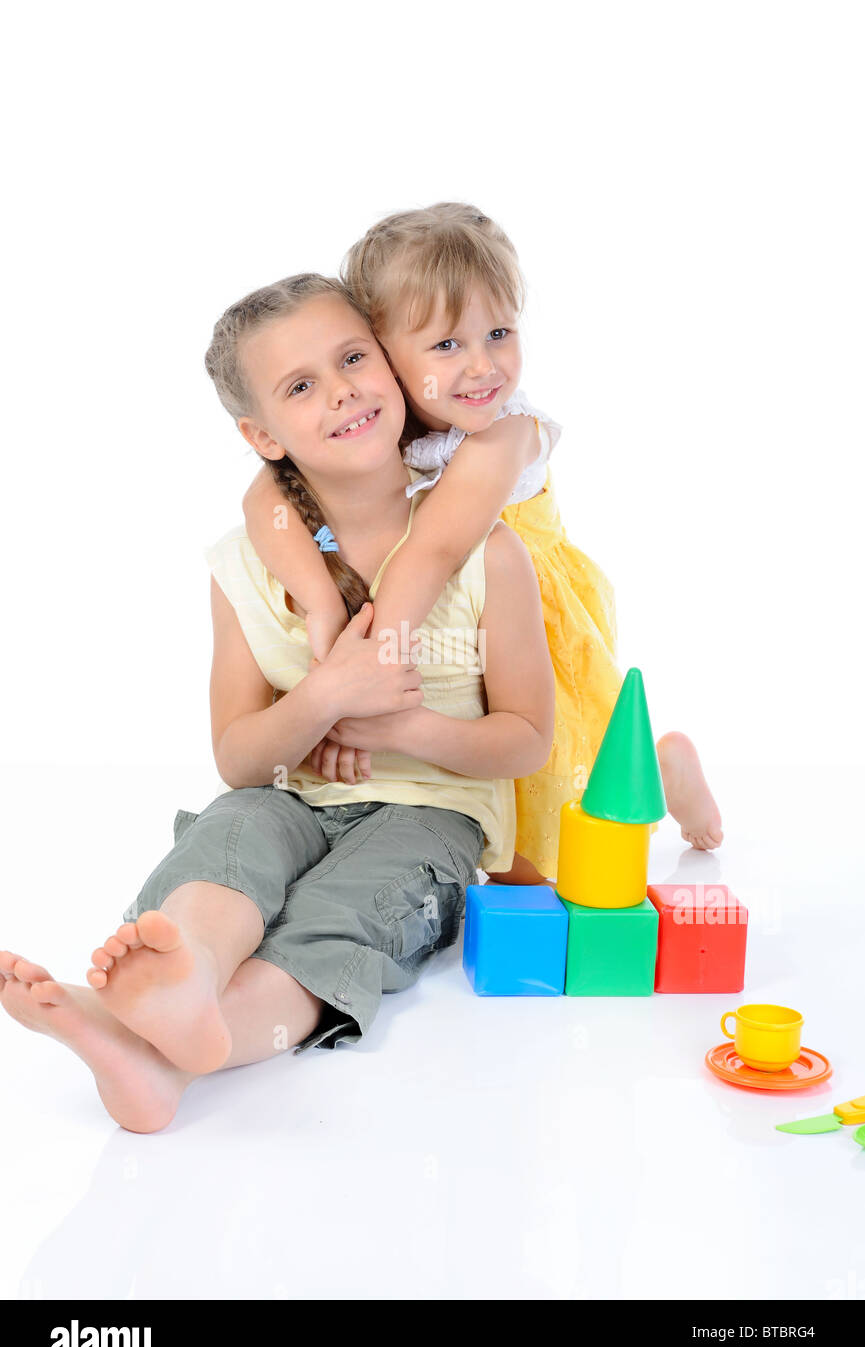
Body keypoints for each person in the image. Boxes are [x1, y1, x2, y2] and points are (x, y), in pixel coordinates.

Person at [0, 273, 554, 1134]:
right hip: (292, 795)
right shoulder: (242, 566)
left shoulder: (488, 552)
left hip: (433, 814)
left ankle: (163, 1046)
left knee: (342, 916)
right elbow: (240, 759)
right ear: (260, 434)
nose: (340, 391)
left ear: (394, 368)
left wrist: (403, 726)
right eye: (301, 386)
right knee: (235, 830)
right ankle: (186, 978)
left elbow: (526, 742)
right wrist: (325, 696)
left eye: (353, 359)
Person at [242, 205, 724, 882]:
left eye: (499, 332)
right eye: (446, 345)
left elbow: (435, 548)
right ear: (383, 352)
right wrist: (321, 605)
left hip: (522, 604)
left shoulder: (505, 433)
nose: (482, 365)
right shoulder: (384, 418)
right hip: (435, 611)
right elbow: (267, 496)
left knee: (556, 799)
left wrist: (364, 676)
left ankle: (660, 769)